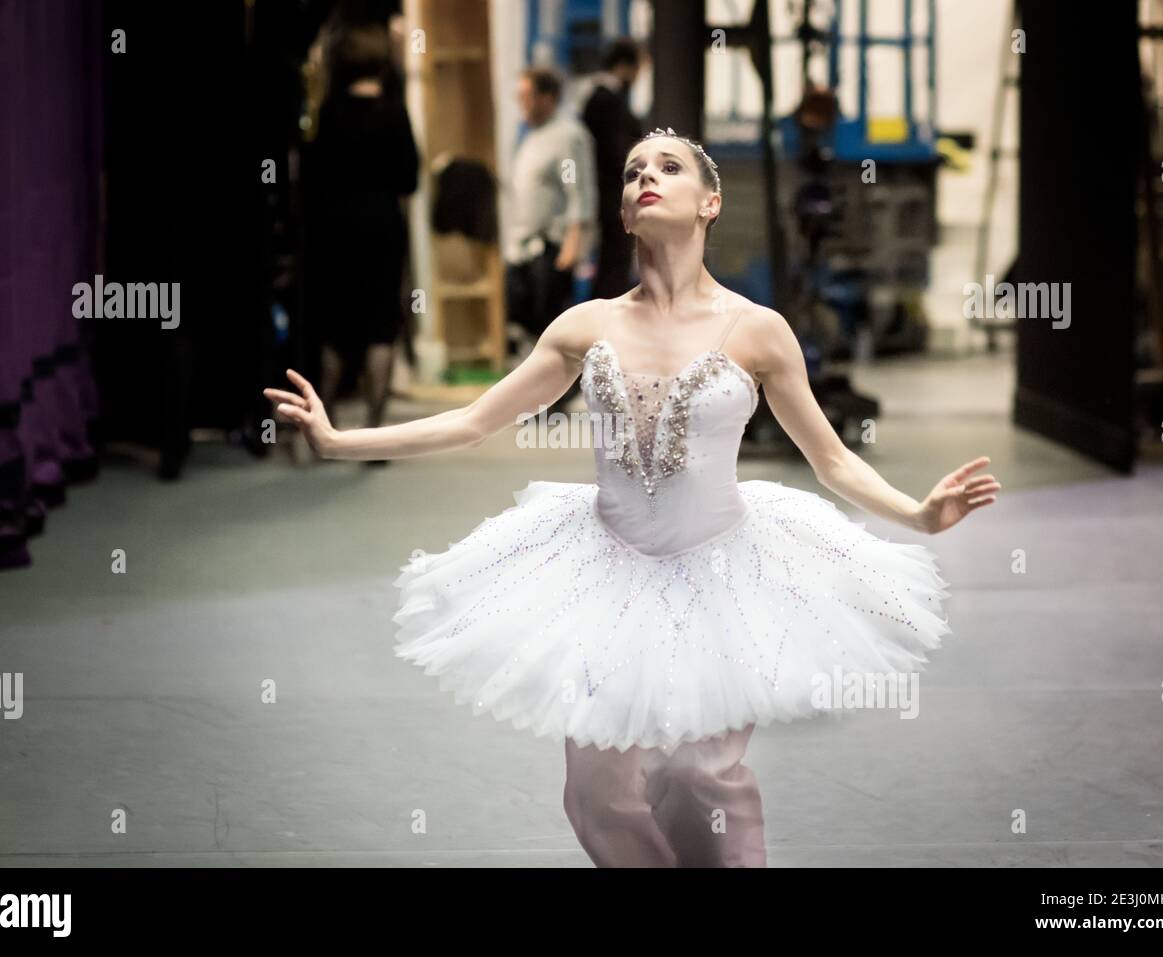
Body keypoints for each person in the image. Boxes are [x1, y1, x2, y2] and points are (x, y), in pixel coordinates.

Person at [266, 128, 1001, 867]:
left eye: (669, 167)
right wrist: (338, 441)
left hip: (723, 578)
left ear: (710, 202)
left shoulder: (758, 331)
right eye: (632, 172)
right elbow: (472, 419)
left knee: (695, 773)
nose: (645, 176)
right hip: (603, 576)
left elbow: (833, 458)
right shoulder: (585, 327)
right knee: (594, 793)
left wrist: (919, 514)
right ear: (623, 214)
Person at [301, 15, 418, 460]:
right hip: (383, 227)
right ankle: (372, 432)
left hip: (335, 229)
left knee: (333, 325)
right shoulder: (394, 113)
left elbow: (309, 182)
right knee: (380, 328)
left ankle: (324, 428)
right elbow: (410, 180)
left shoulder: (329, 114)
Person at [504, 67, 597, 356]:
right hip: (521, 244)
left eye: (528, 96)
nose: (522, 103)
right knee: (519, 318)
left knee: (550, 323)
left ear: (548, 97)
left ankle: (559, 394)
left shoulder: (568, 135)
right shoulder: (530, 136)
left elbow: (579, 191)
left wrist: (574, 242)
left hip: (552, 246)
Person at [581, 38, 644, 299]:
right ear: (625, 66)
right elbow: (616, 150)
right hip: (611, 194)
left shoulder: (599, 97)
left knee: (613, 258)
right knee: (615, 258)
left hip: (607, 192)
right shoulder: (607, 100)